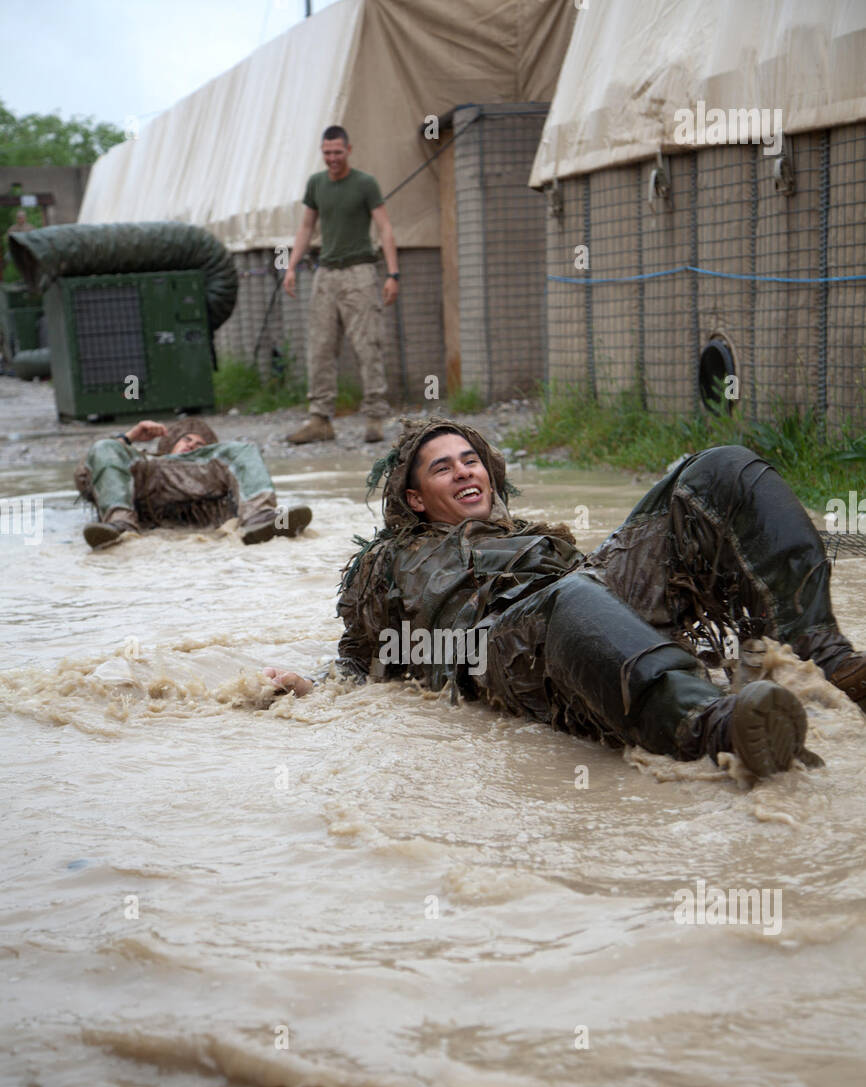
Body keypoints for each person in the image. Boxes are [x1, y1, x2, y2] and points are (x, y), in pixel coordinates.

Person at [264, 417, 866, 779]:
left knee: (717, 469)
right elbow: (357, 658)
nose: (465, 472)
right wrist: (309, 688)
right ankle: (712, 725)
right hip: (496, 646)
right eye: (443, 468)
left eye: (471, 460)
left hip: (585, 600)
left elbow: (599, 579)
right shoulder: (386, 563)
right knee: (571, 596)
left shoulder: (537, 538)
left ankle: (821, 658)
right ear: (416, 498)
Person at [283, 125, 398, 447]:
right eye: (327, 153)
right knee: (319, 347)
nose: (332, 158)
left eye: (337, 152)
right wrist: (291, 267)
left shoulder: (365, 183)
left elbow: (385, 227)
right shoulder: (316, 184)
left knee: (368, 345)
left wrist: (393, 273)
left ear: (349, 150)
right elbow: (306, 226)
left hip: (359, 273)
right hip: (325, 273)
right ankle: (320, 419)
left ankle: (375, 415)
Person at [74, 417, 313, 550]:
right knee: (104, 447)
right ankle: (120, 526)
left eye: (199, 445)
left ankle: (260, 518)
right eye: (186, 440)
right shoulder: (141, 462)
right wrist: (130, 437)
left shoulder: (214, 469)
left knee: (244, 448)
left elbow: (236, 460)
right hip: (148, 477)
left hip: (201, 481)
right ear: (169, 445)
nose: (191, 445)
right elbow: (87, 473)